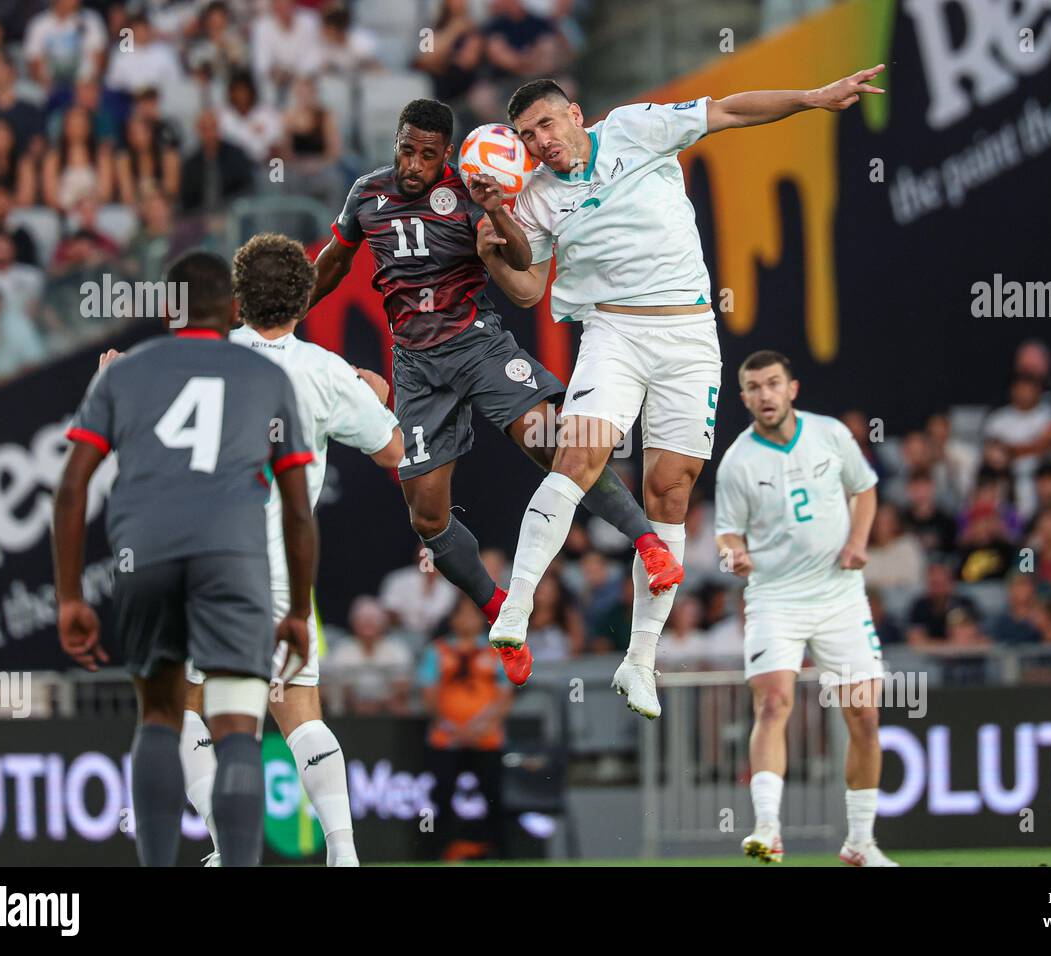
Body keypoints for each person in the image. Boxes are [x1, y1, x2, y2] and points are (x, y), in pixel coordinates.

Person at [479, 68, 886, 718]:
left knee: (669, 490)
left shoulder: (638, 129)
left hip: (689, 337)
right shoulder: (530, 197)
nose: (541, 142)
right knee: (579, 459)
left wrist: (809, 97)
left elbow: (730, 110)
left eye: (547, 125)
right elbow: (529, 290)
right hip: (611, 332)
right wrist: (496, 253)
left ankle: (640, 661)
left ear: (576, 115)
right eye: (527, 136)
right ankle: (518, 605)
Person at [309, 97, 672, 686]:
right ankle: (496, 607)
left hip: (479, 345)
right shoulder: (366, 195)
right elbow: (332, 262)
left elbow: (525, 260)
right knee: (427, 516)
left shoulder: (474, 185)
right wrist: (289, 310)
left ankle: (651, 545)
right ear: (396, 142)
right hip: (416, 366)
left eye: (428, 155)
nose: (415, 165)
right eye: (407, 150)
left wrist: (497, 214)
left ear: (445, 155)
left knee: (554, 443)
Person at [51, 250, 318, 867]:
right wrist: (299, 608)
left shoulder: (122, 374)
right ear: (232, 309)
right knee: (235, 726)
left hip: (143, 552)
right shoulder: (265, 377)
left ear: (170, 308)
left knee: (162, 715)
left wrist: (68, 597)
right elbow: (299, 510)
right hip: (235, 556)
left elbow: (70, 489)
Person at [171, 234, 403, 869]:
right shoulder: (326, 372)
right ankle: (344, 853)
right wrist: (375, 394)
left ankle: (227, 847)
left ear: (237, 298)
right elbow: (394, 453)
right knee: (297, 710)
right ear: (304, 300)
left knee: (185, 708)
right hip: (278, 570)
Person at [714, 350, 895, 867]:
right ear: (744, 397)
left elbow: (864, 489)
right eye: (754, 387)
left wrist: (860, 541)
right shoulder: (737, 462)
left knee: (863, 715)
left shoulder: (830, 433)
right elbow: (727, 532)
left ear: (792, 388)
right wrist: (733, 555)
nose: (765, 394)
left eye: (773, 383)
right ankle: (767, 829)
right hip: (775, 598)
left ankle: (860, 843)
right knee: (773, 704)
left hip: (839, 594)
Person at [417, 593, 514, 861]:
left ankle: (501, 854)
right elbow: (429, 694)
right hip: (446, 739)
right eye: (462, 614)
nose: (467, 620)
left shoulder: (496, 649)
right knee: (441, 798)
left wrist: (479, 726)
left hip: (487, 738)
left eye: (472, 614)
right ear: (453, 619)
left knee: (494, 798)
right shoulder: (436, 651)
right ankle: (438, 853)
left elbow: (504, 696)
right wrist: (451, 727)